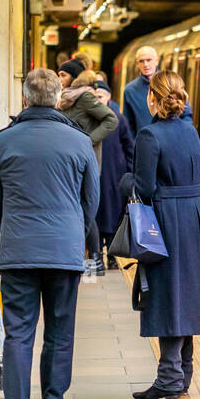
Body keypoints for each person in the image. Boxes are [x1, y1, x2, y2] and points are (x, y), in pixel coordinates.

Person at [0, 68, 100, 399]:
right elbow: (91, 202)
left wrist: (15, 233)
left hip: (19, 251)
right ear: (57, 98)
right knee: (60, 332)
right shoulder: (79, 141)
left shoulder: (1, 141)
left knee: (19, 334)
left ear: (25, 99)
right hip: (64, 252)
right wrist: (72, 235)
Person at [131, 70, 200, 399]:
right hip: (194, 216)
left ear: (152, 97)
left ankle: (168, 378)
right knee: (187, 293)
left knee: (167, 294)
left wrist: (126, 183)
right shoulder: (190, 131)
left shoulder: (150, 136)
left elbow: (145, 187)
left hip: (167, 218)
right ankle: (183, 372)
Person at [59, 70, 118, 276]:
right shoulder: (78, 97)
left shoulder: (74, 97)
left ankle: (94, 261)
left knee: (84, 207)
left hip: (78, 159)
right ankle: (92, 260)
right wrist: (87, 141)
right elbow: (110, 119)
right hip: (78, 158)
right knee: (83, 207)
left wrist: (87, 139)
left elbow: (110, 120)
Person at [93, 76, 134, 266]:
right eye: (93, 97)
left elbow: (129, 149)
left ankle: (111, 255)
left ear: (109, 98)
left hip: (114, 179)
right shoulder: (88, 121)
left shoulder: (119, 120)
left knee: (113, 216)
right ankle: (96, 257)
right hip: (96, 178)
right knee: (95, 216)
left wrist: (130, 174)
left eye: (100, 96)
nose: (97, 101)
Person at [122, 46, 159, 140]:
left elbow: (185, 114)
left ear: (157, 61)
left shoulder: (170, 84)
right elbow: (128, 124)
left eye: (149, 60)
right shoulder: (130, 90)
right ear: (137, 64)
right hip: (143, 145)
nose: (145, 64)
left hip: (168, 145)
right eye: (141, 61)